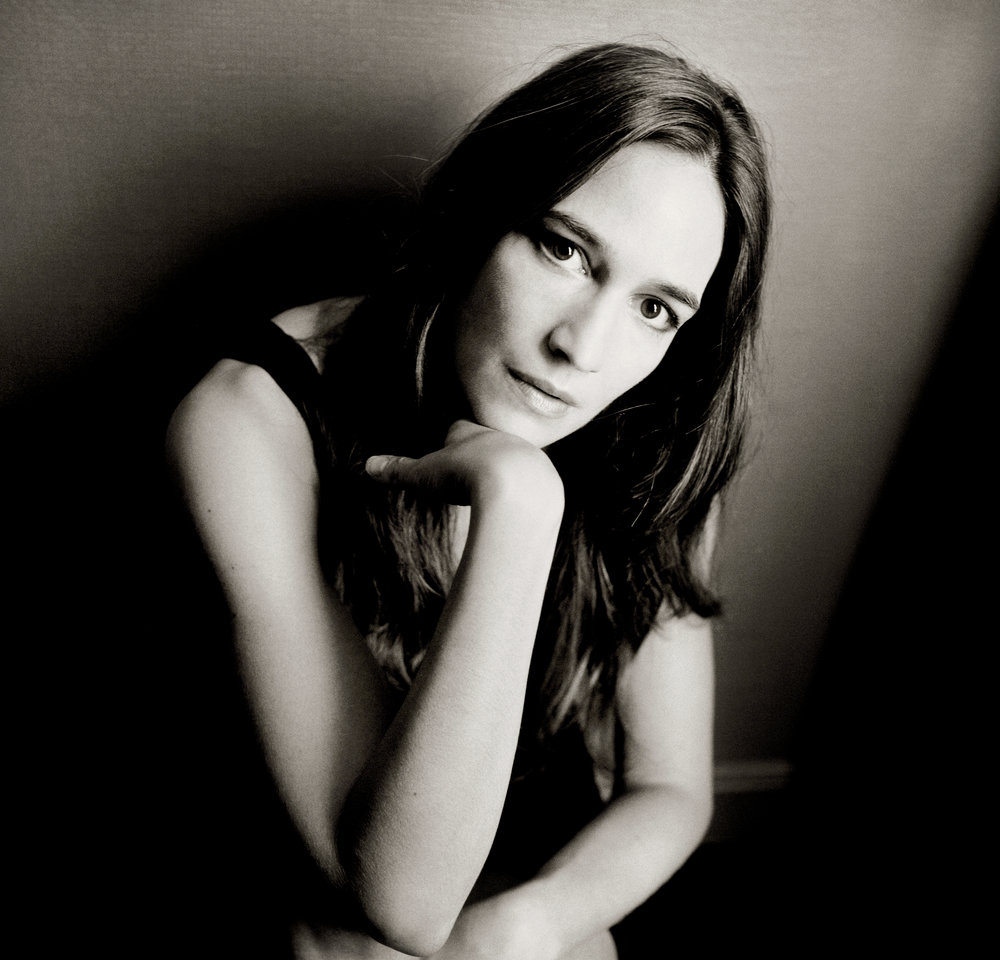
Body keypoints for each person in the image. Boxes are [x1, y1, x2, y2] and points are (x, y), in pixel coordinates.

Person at [167, 41, 770, 959]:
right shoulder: (250, 418)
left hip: (514, 873)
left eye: (656, 309)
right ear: (480, 210)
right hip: (330, 881)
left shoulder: (655, 443)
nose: (584, 348)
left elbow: (671, 789)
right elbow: (397, 902)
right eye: (566, 249)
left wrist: (527, 927)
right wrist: (518, 517)